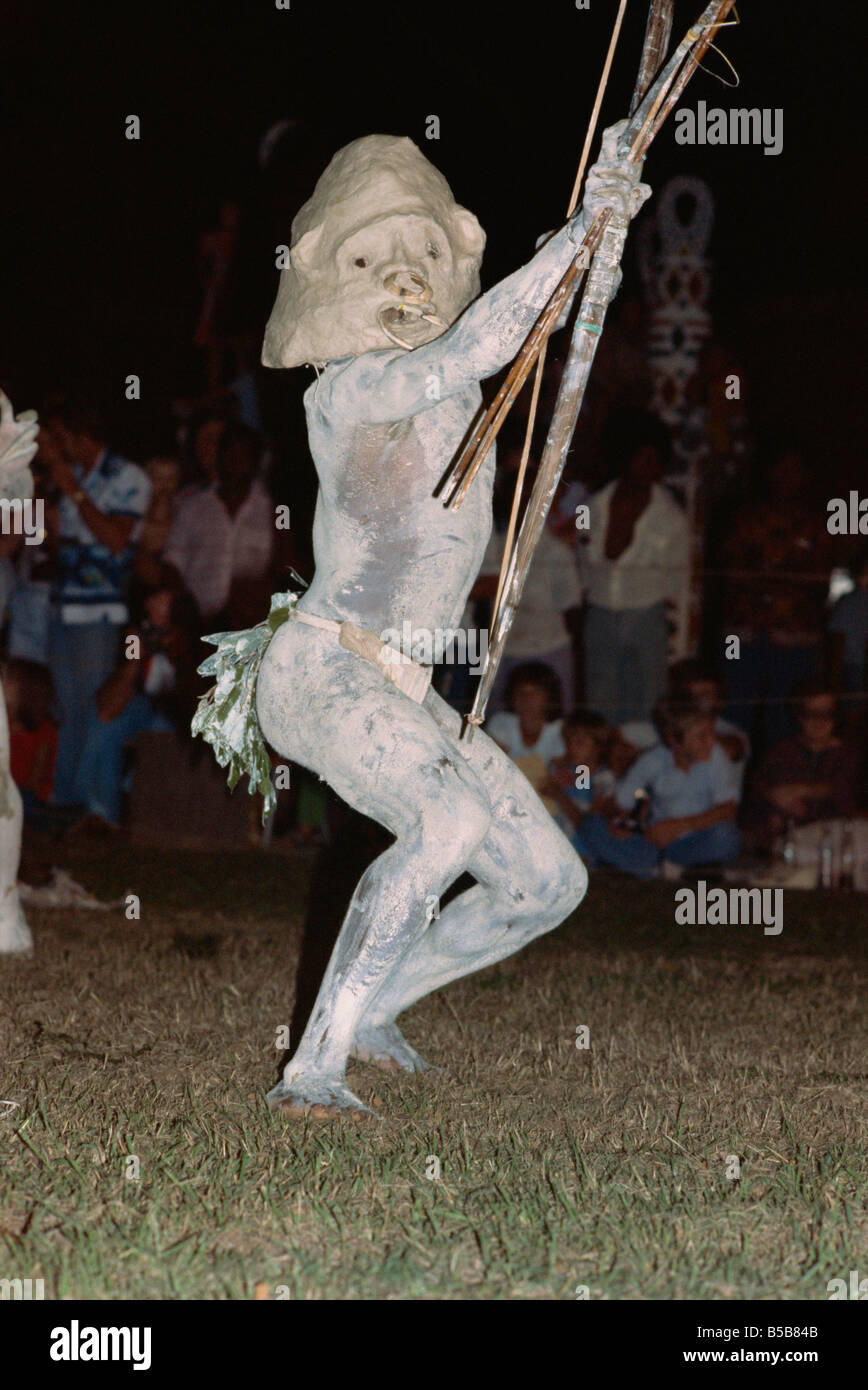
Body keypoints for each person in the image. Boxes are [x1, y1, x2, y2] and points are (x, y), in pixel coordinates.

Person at [40, 396, 151, 806]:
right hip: (63, 605)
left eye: (59, 437)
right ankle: (66, 800)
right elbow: (52, 544)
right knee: (66, 708)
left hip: (100, 610)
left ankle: (95, 805)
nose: (54, 445)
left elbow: (117, 542)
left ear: (82, 437)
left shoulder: (128, 476)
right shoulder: (68, 476)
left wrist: (73, 491)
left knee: (93, 708)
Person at [720, 446, 835, 749]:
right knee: (734, 715)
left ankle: (779, 788)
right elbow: (730, 572)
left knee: (786, 721)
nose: (786, 477)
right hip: (743, 636)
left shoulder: (816, 524)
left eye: (794, 470)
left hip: (793, 637)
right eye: (780, 468)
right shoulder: (746, 518)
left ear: (805, 477)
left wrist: (771, 581)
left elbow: (819, 580)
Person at [580, 408, 689, 724]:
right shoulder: (592, 507)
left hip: (646, 617)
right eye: (642, 459)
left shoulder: (670, 518)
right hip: (599, 614)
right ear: (624, 458)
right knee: (599, 700)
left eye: (656, 461)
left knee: (646, 701)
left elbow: (676, 582)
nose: (649, 468)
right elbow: (581, 565)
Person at [71, 586, 200, 828]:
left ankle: (140, 805)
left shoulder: (194, 642)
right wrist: (136, 658)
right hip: (142, 706)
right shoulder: (135, 635)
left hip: (179, 717)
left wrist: (173, 650)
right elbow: (108, 705)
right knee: (104, 725)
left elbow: (191, 699)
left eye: (162, 601)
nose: (151, 602)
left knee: (162, 732)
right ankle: (98, 813)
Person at [573, 698, 741, 878]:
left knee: (726, 837)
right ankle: (668, 869)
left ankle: (663, 869)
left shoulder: (715, 755)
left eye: (711, 733)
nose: (711, 741)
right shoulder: (652, 760)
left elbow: (728, 810)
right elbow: (620, 802)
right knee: (592, 826)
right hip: (656, 840)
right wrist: (621, 821)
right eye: (701, 736)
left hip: (699, 836)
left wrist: (679, 826)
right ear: (674, 741)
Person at [163, 423, 274, 626]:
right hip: (200, 622)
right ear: (219, 457)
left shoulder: (272, 509)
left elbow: (285, 566)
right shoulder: (194, 505)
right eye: (229, 452)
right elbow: (171, 562)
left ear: (256, 462)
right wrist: (185, 606)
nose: (235, 460)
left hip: (253, 622)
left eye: (244, 454)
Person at [748, 677, 857, 842]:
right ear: (798, 716)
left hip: (833, 835)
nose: (819, 721)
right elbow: (758, 786)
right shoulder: (781, 750)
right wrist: (774, 796)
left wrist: (802, 790)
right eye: (811, 714)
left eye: (826, 714)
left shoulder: (847, 753)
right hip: (787, 833)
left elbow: (843, 791)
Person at [484, 662, 565, 798]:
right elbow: (491, 767)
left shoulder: (560, 730)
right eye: (521, 692)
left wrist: (566, 780)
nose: (527, 699)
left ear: (550, 698)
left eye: (536, 693)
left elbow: (580, 772)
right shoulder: (501, 722)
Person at [543, 709, 614, 848]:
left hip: (579, 851)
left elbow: (588, 828)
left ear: (598, 747)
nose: (571, 747)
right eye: (569, 741)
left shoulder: (604, 779)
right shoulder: (565, 769)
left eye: (580, 742)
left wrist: (558, 794)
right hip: (550, 844)